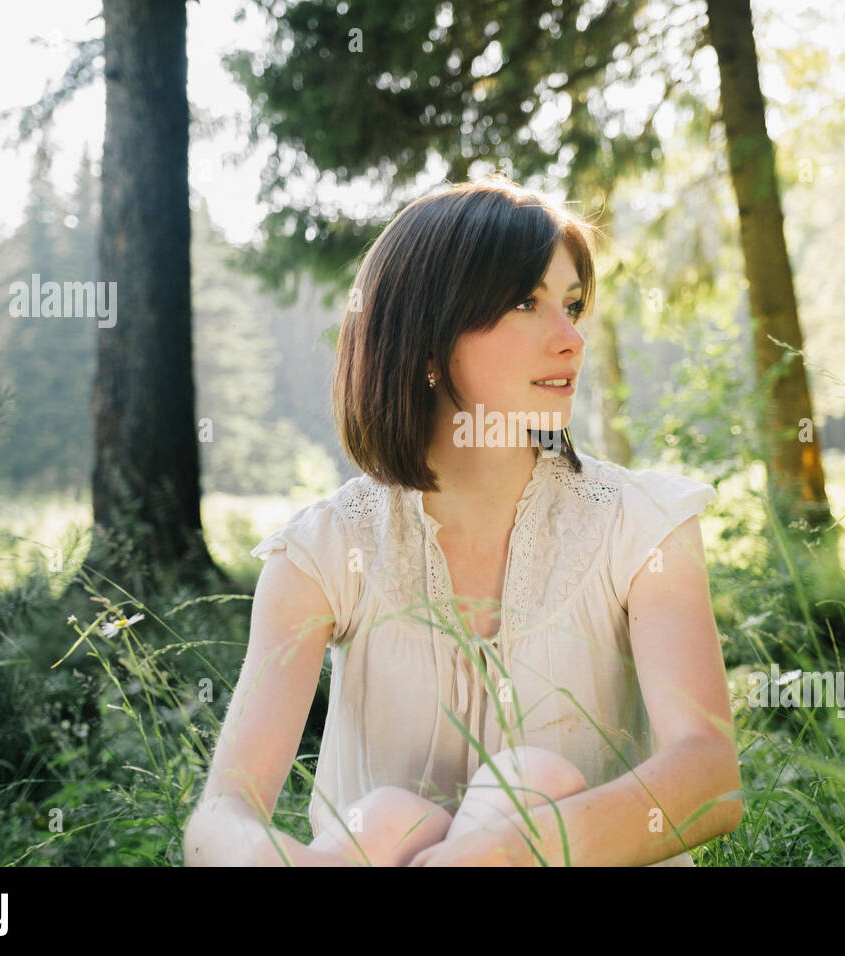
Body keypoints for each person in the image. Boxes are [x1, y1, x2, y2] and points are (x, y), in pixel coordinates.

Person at [183, 175, 741, 867]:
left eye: (571, 305)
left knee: (524, 787)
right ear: (424, 340)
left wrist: (506, 853)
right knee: (388, 821)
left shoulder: (643, 525)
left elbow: (710, 775)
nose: (570, 338)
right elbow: (221, 815)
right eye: (524, 303)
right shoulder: (322, 551)